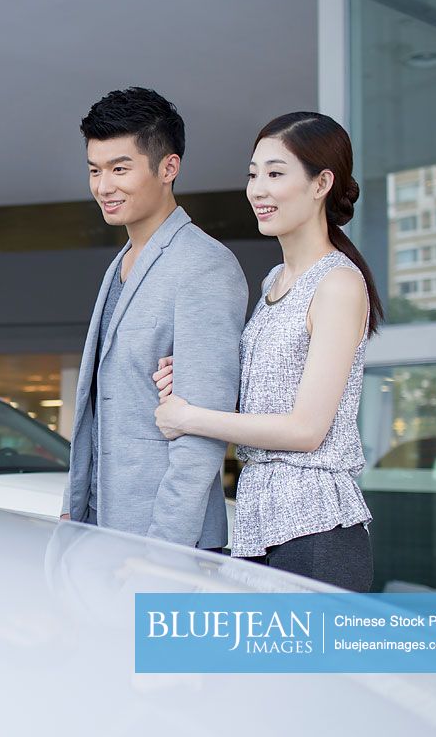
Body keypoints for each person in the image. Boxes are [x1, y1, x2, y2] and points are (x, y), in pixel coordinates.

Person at [154, 111, 383, 591]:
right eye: (253, 175)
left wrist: (189, 417)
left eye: (276, 174)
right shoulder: (274, 284)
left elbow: (305, 430)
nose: (258, 190)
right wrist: (191, 377)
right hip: (260, 528)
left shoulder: (338, 283)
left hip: (316, 532)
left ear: (322, 183)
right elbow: (265, 403)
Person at [62, 88, 247, 549]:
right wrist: (74, 504)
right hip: (99, 527)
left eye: (120, 169)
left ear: (169, 168)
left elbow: (203, 431)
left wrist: (163, 550)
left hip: (160, 545)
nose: (104, 186)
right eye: (94, 170)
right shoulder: (120, 263)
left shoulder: (204, 265)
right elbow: (97, 408)